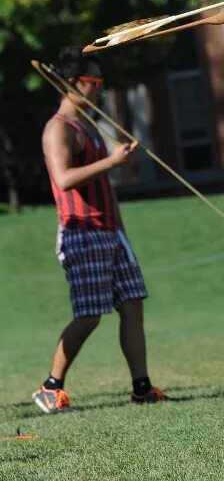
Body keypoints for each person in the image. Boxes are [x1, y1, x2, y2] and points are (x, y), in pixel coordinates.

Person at [32, 47, 168, 414]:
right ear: (74, 83)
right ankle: (50, 387)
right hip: (81, 232)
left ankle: (141, 387)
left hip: (111, 231)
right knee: (90, 315)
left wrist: (121, 230)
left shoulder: (88, 126)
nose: (99, 90)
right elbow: (63, 179)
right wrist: (113, 161)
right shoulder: (57, 129)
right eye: (95, 83)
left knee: (132, 305)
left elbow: (103, 185)